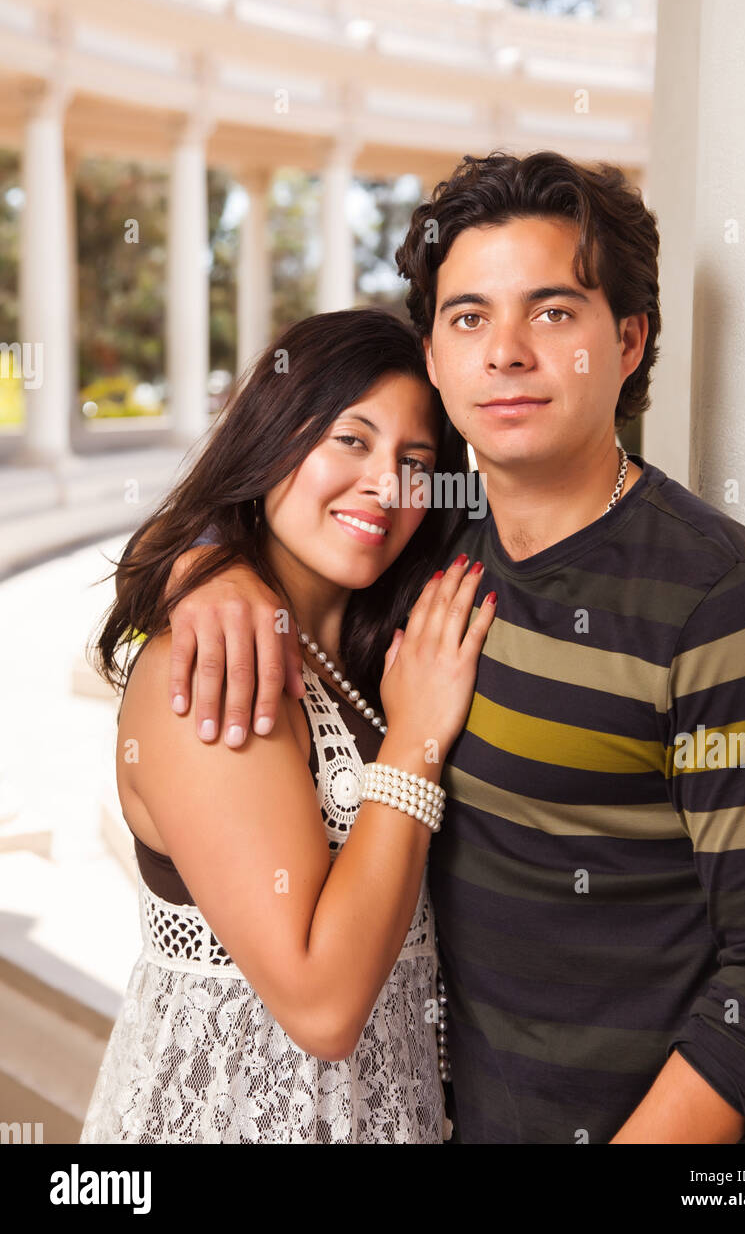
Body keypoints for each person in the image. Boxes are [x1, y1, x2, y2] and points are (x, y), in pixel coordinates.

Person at [159, 151, 745, 1145]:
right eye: (468, 317)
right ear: (435, 356)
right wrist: (206, 562)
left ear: (627, 341)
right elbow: (278, 507)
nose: (505, 353)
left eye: (553, 312)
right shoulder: (429, 550)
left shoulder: (728, 614)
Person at [79, 308, 497, 1144]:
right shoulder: (209, 664)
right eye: (351, 439)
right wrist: (416, 742)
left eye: (416, 462)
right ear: (274, 433)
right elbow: (323, 1006)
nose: (385, 484)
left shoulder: (387, 648)